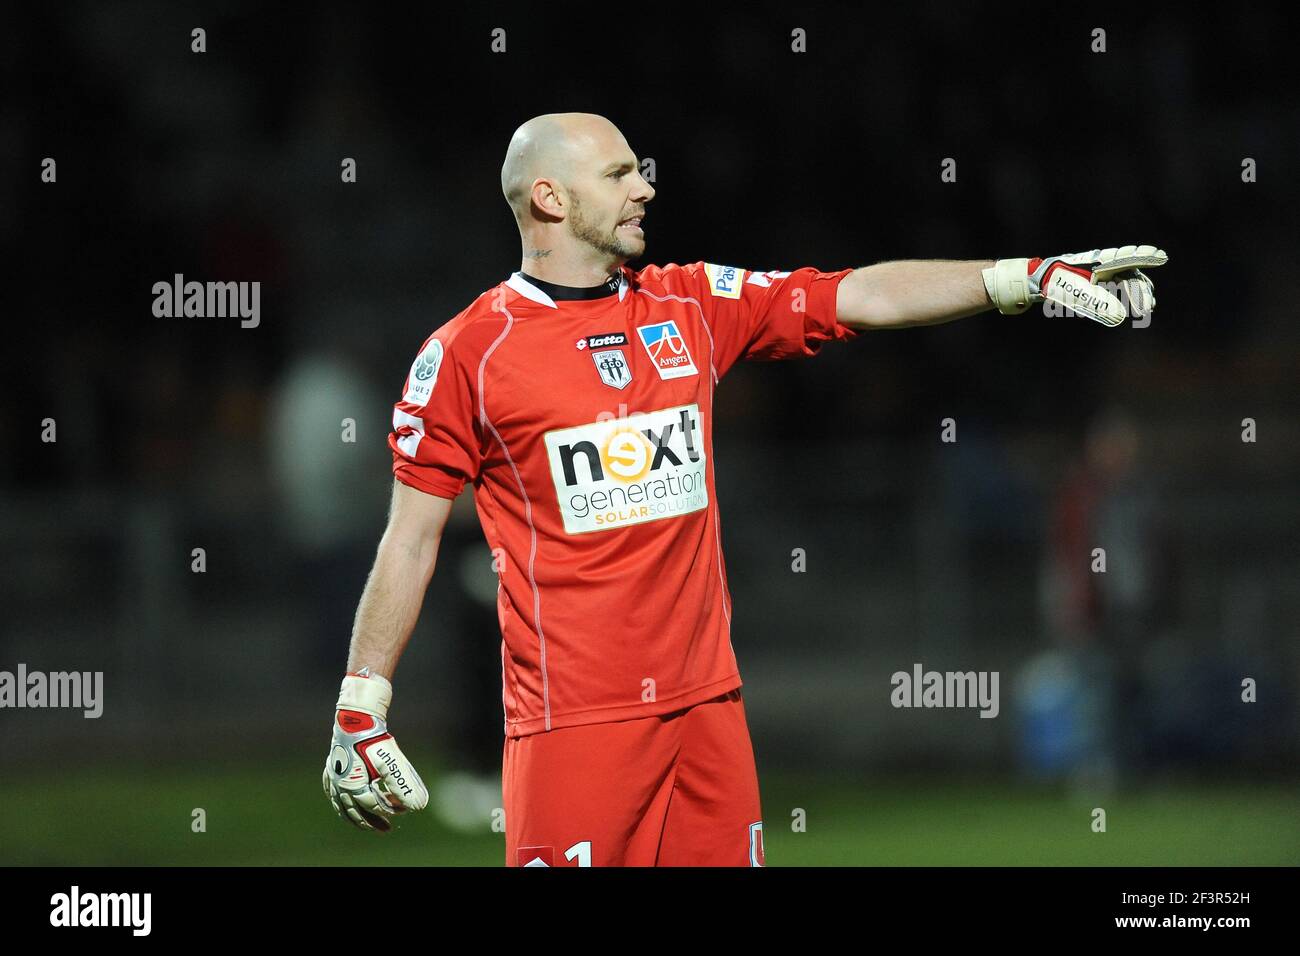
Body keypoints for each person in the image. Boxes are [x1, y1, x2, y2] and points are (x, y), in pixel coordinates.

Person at [321, 111, 1167, 866]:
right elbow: (411, 537)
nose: (644, 187)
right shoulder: (469, 355)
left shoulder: (686, 304)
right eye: (618, 173)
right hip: (576, 727)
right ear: (549, 197)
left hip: (710, 713)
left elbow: (856, 295)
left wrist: (1023, 276)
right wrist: (363, 698)